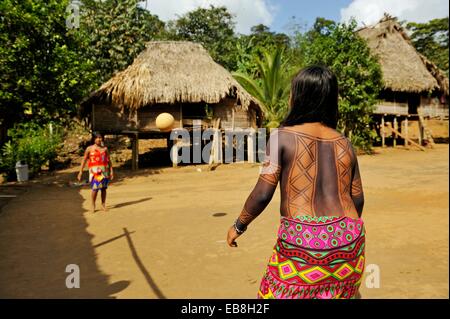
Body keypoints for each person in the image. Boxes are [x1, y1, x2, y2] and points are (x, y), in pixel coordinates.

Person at [227, 65, 365, 299]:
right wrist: (339, 234)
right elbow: (358, 198)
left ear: (299, 97)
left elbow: (262, 193)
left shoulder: (281, 137)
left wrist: (238, 225)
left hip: (304, 239)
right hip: (350, 237)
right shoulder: (345, 143)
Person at [78, 132, 114, 213]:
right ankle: (93, 205)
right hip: (94, 172)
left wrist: (111, 171)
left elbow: (109, 160)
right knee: (95, 188)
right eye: (97, 138)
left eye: (100, 138)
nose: (99, 139)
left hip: (104, 171)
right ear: (94, 139)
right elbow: (84, 160)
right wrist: (80, 171)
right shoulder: (89, 149)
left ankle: (103, 205)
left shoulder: (105, 149)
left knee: (104, 189)